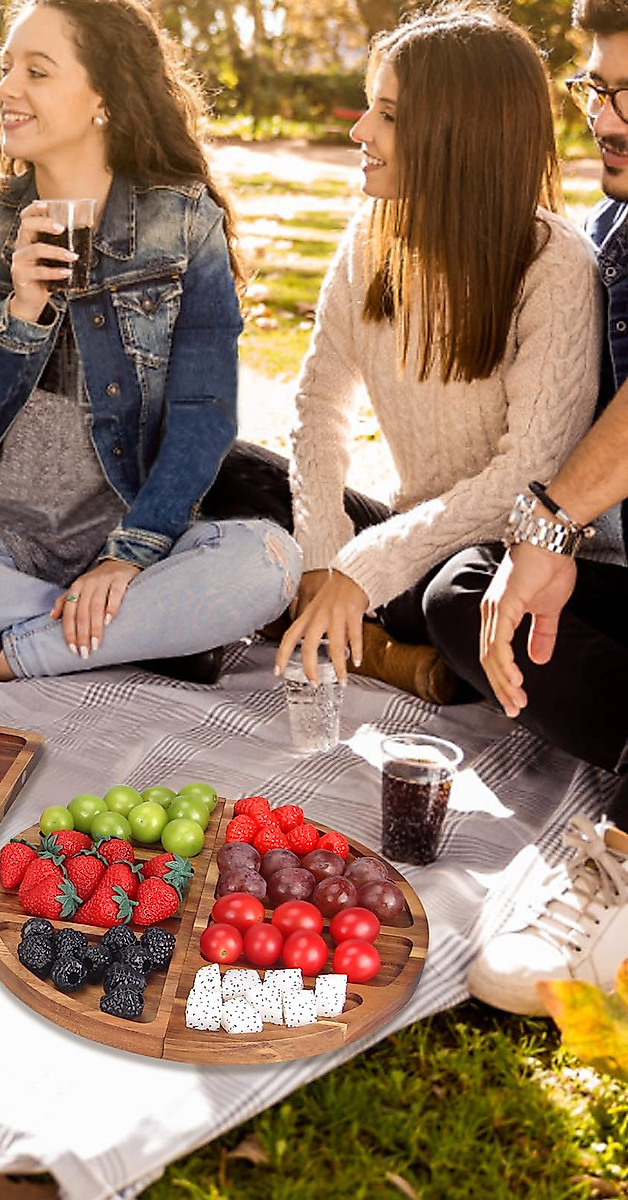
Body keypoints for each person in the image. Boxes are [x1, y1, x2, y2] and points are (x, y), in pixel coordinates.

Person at [0, 0, 299, 684]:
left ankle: (4, 654)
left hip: (133, 537)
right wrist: (21, 312)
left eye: (37, 71)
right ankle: (136, 634)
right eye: (7, 68)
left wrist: (129, 556)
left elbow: (203, 415)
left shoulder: (182, 224)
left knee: (269, 560)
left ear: (105, 98)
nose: (7, 88)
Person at [261, 5, 602, 708]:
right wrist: (322, 555)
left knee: (457, 597)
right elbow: (320, 405)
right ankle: (387, 650)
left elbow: (527, 479)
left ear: (458, 134)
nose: (360, 131)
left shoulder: (553, 265)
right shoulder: (369, 238)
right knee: (236, 480)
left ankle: (371, 635)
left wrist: (364, 566)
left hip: (501, 554)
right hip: (405, 539)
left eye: (387, 115)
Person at [423, 0, 628, 1016]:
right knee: (466, 587)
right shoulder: (608, 233)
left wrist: (550, 523)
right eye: (598, 88)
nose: (607, 117)